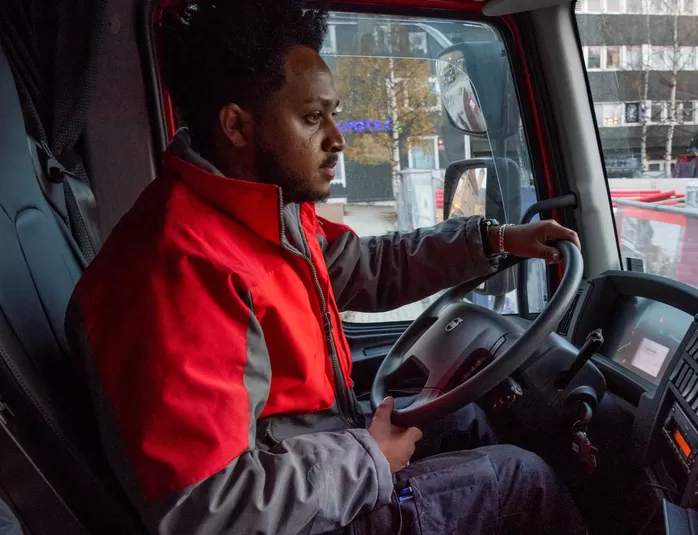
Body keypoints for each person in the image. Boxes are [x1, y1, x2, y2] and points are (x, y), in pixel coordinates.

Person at [66, 0, 588, 533]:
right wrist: (367, 459)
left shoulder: (262, 211)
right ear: (236, 126)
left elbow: (365, 267)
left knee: (464, 418)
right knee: (523, 481)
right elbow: (207, 505)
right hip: (288, 515)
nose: (338, 139)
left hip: (307, 459)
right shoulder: (178, 268)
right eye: (314, 118)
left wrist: (494, 239)